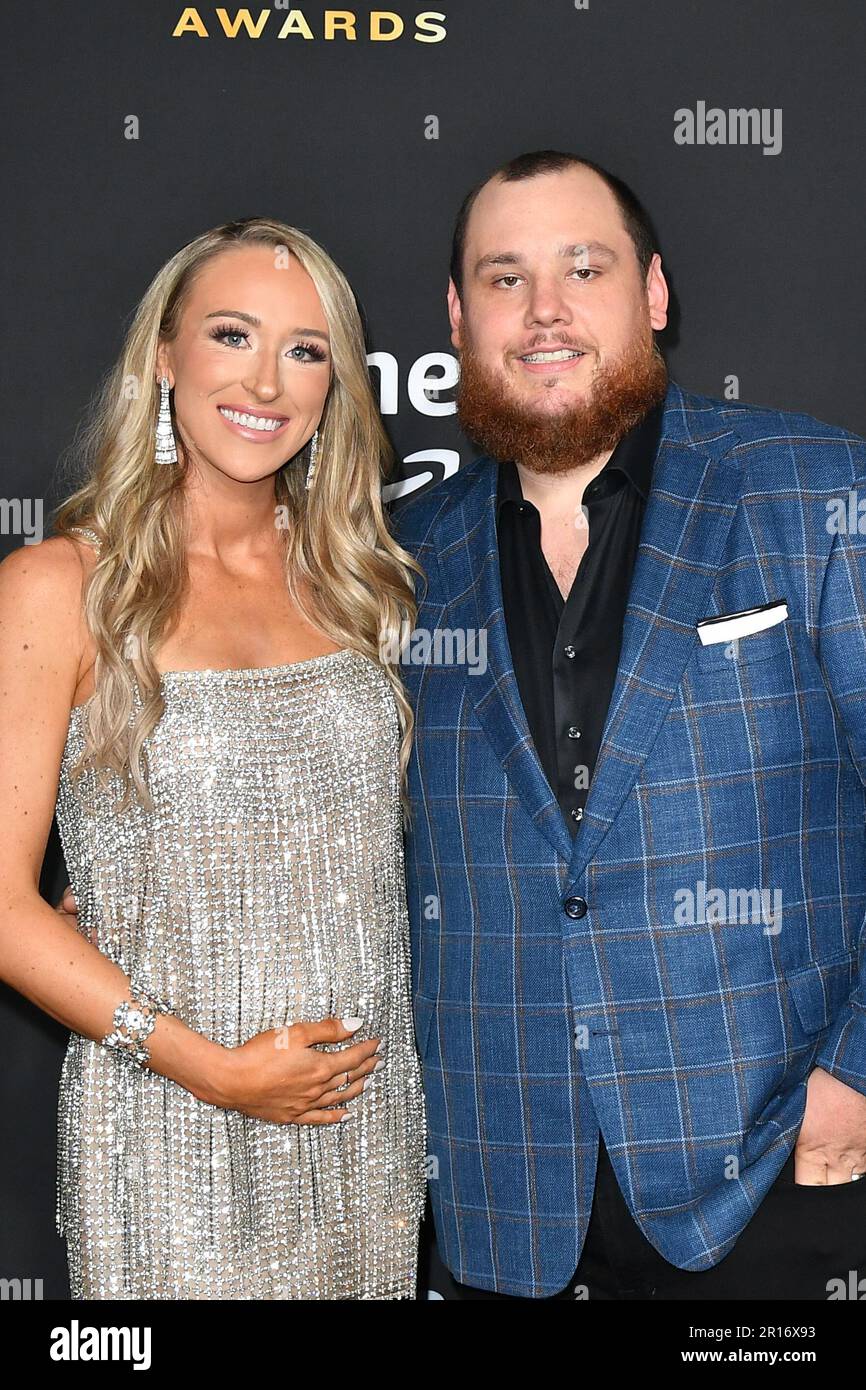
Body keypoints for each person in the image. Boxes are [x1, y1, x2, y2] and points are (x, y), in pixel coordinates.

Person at [389, 150, 866, 1299]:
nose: (542, 310)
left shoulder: (810, 489)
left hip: (771, 1175)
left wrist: (855, 1070)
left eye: (581, 267)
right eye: (502, 278)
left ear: (651, 293)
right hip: (500, 1196)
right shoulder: (397, 563)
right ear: (457, 316)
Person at [0, 217, 427, 1299]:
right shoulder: (59, 588)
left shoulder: (360, 582)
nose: (267, 381)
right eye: (232, 335)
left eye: (305, 348)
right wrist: (217, 1072)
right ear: (165, 357)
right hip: (170, 1121)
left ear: (336, 381)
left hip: (360, 1119)